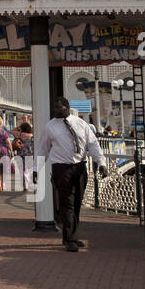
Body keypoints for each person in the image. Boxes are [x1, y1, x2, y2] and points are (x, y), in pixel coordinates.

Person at [35, 97, 106, 252]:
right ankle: (70, 239)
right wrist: (37, 168)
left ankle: (71, 235)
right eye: (54, 108)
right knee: (67, 202)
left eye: (58, 108)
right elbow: (42, 149)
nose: (55, 111)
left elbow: (92, 144)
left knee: (77, 202)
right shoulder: (50, 127)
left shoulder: (80, 124)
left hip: (79, 168)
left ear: (66, 108)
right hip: (61, 169)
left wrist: (101, 163)